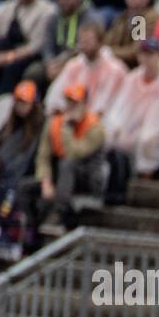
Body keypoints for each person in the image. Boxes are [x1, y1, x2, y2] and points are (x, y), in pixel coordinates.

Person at [104, 38, 159, 177]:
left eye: (151, 54)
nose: (147, 59)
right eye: (143, 54)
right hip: (133, 130)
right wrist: (116, 128)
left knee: (148, 143)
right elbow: (119, 108)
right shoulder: (132, 79)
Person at [35, 82, 107, 227]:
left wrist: (67, 128)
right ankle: (26, 233)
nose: (70, 107)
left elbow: (74, 153)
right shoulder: (53, 123)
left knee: (67, 164)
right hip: (62, 178)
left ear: (85, 104)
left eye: (75, 103)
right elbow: (43, 157)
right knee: (25, 188)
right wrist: (46, 183)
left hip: (88, 178)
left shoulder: (96, 128)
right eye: (68, 102)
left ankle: (58, 212)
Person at [0, 0, 56, 100]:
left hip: (28, 56)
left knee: (13, 68)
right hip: (4, 49)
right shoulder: (7, 6)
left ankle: (4, 102)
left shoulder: (47, 10)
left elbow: (36, 46)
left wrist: (7, 58)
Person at [45, 20, 126, 115]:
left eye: (88, 40)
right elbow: (54, 99)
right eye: (82, 40)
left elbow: (105, 107)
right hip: (71, 118)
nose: (84, 44)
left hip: (98, 123)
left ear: (100, 42)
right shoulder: (74, 65)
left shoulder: (114, 69)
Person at [42, 0, 95, 84]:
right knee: (34, 72)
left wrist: (63, 62)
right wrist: (50, 64)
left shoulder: (90, 18)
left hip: (79, 61)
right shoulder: (52, 17)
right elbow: (47, 46)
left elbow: (83, 47)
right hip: (55, 62)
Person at [102, 0, 157, 67]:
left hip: (136, 68)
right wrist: (103, 50)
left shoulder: (149, 17)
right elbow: (108, 41)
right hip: (119, 65)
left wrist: (109, 52)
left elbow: (135, 51)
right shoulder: (123, 16)